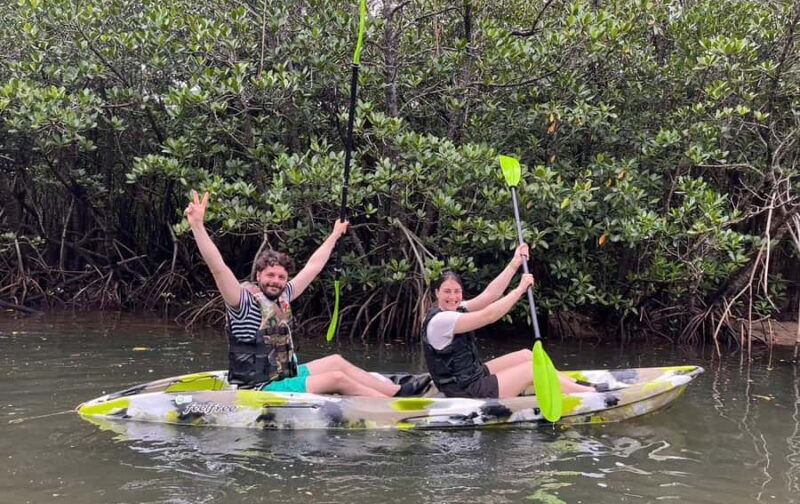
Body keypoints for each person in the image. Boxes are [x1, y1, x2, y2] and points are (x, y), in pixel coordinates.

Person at [186, 190, 412, 397]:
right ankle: (394, 409)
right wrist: (198, 226)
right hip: (261, 388)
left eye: (281, 277)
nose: (276, 281)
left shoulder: (283, 295)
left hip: (285, 376)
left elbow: (313, 267)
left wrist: (334, 235)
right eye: (270, 275)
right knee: (337, 379)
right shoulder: (241, 301)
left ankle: (397, 392)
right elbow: (218, 267)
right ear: (259, 276)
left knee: (336, 362)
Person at [422, 244, 595, 399]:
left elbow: (490, 295)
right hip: (465, 389)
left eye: (457, 291)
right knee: (531, 368)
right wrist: (519, 290)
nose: (452, 297)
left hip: (472, 376)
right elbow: (488, 316)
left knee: (528, 355)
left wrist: (515, 263)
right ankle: (588, 395)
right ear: (437, 293)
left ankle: (576, 385)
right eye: (447, 291)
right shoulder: (441, 321)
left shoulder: (456, 308)